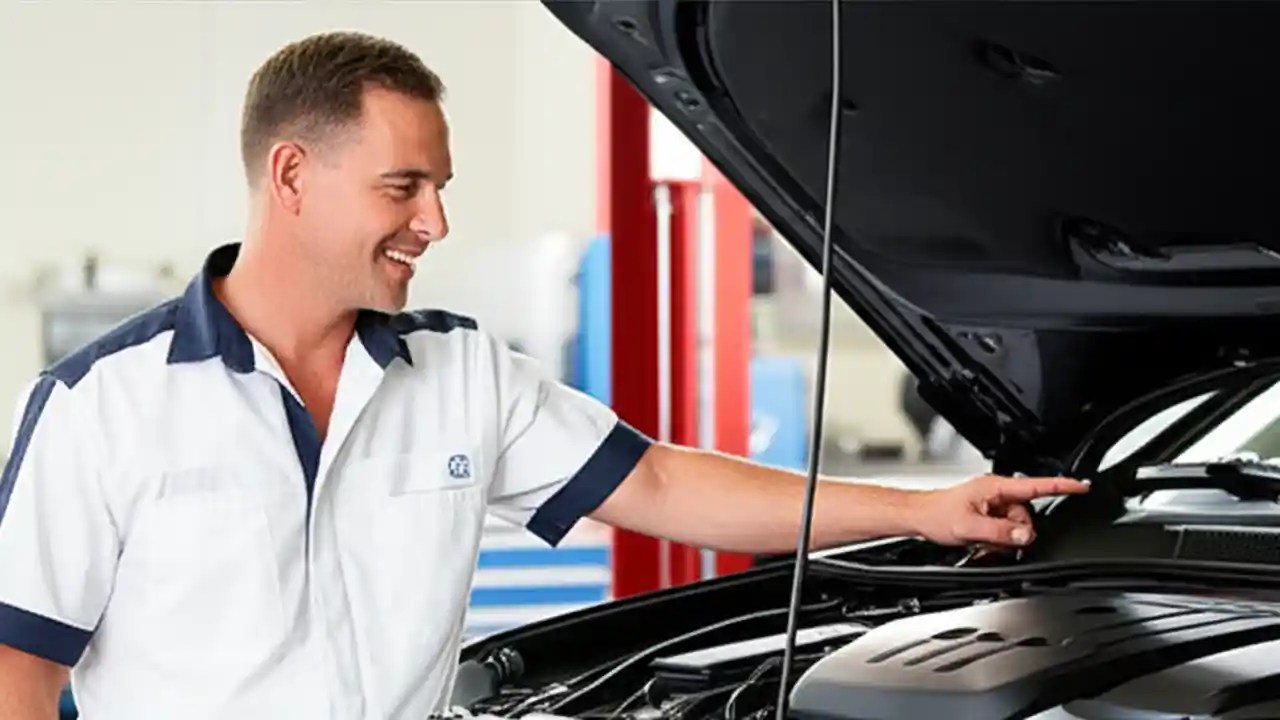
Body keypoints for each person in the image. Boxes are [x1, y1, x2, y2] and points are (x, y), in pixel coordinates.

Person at [0, 31, 1088, 720]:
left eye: (439, 185)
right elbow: (20, 672)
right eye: (402, 186)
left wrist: (925, 508)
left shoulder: (458, 370)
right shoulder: (104, 407)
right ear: (292, 175)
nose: (434, 220)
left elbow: (657, 485)